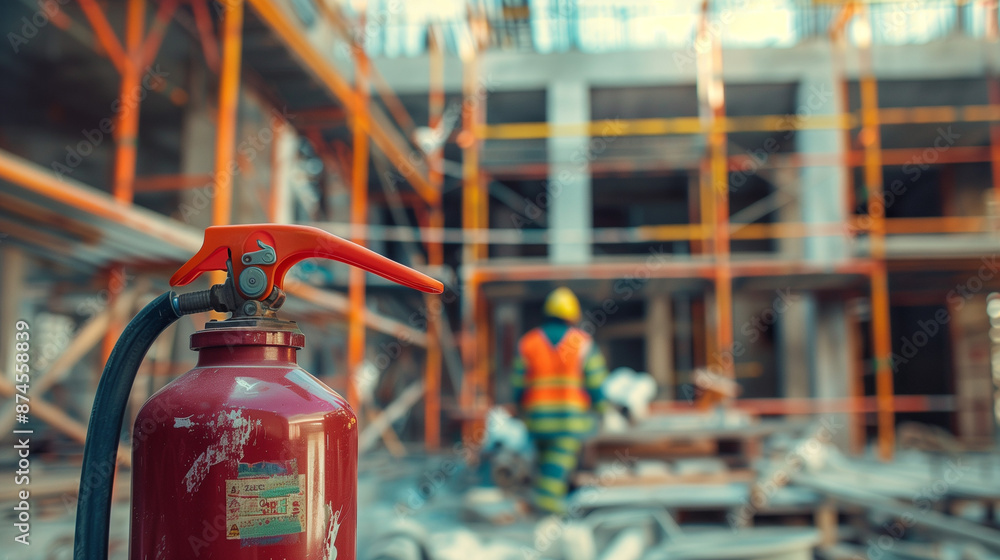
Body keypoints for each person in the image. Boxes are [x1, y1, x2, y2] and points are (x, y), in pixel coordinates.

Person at [511, 287, 609, 513]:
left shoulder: (529, 343)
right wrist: (602, 409)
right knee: (555, 473)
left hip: (536, 421)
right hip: (568, 422)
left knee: (544, 467)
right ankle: (549, 516)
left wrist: (519, 409)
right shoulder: (581, 343)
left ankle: (540, 508)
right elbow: (596, 382)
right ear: (572, 315)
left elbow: (518, 384)